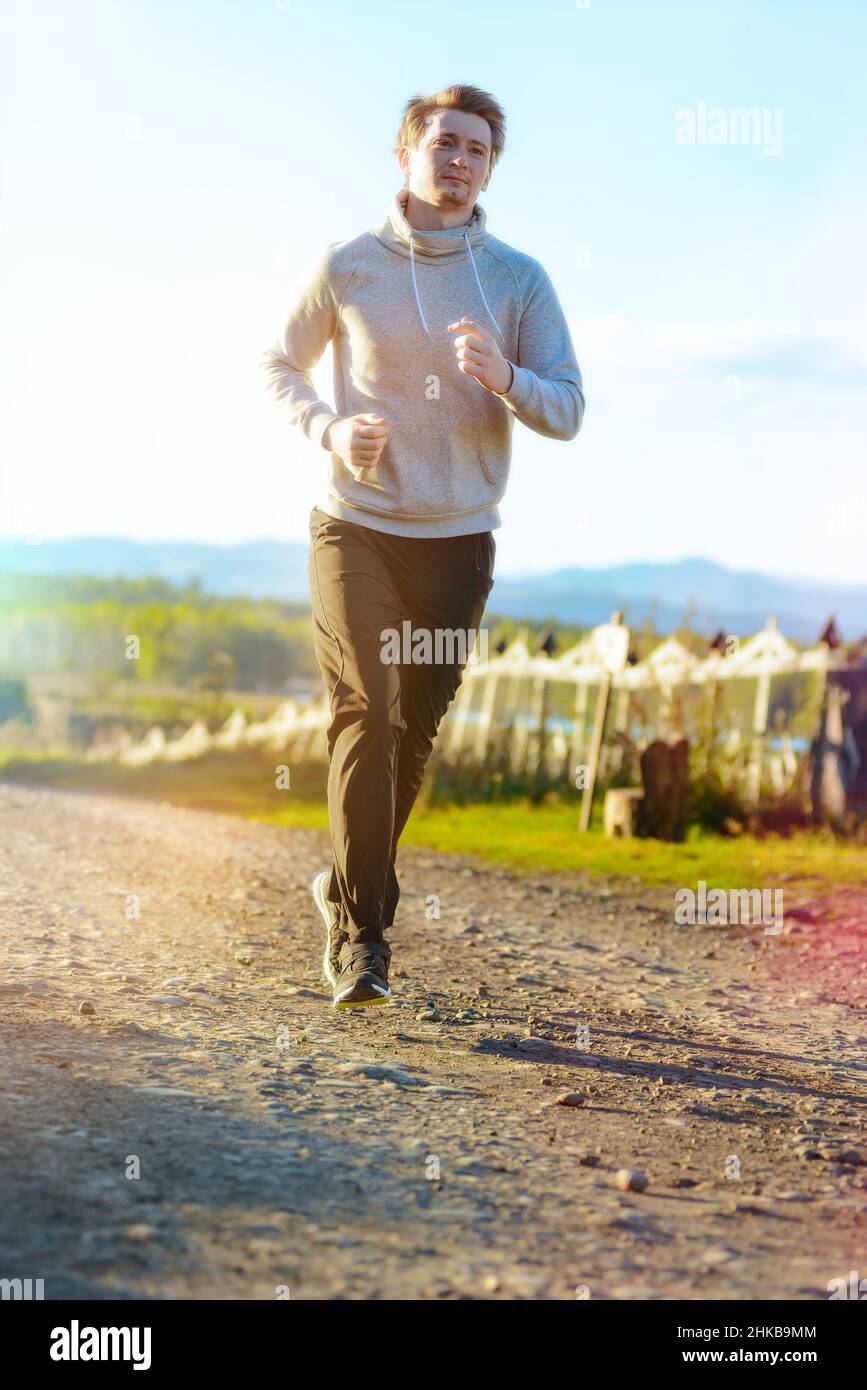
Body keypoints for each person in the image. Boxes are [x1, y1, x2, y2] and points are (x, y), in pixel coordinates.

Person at [261, 84, 585, 1008]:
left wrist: (506, 375)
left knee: (411, 738)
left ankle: (344, 884)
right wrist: (326, 427)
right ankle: (365, 941)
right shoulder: (348, 264)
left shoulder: (518, 280)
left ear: (490, 169)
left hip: (457, 540)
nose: (459, 160)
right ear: (406, 153)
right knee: (367, 710)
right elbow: (277, 361)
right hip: (354, 526)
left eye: (477, 150)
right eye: (444, 142)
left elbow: (566, 407)